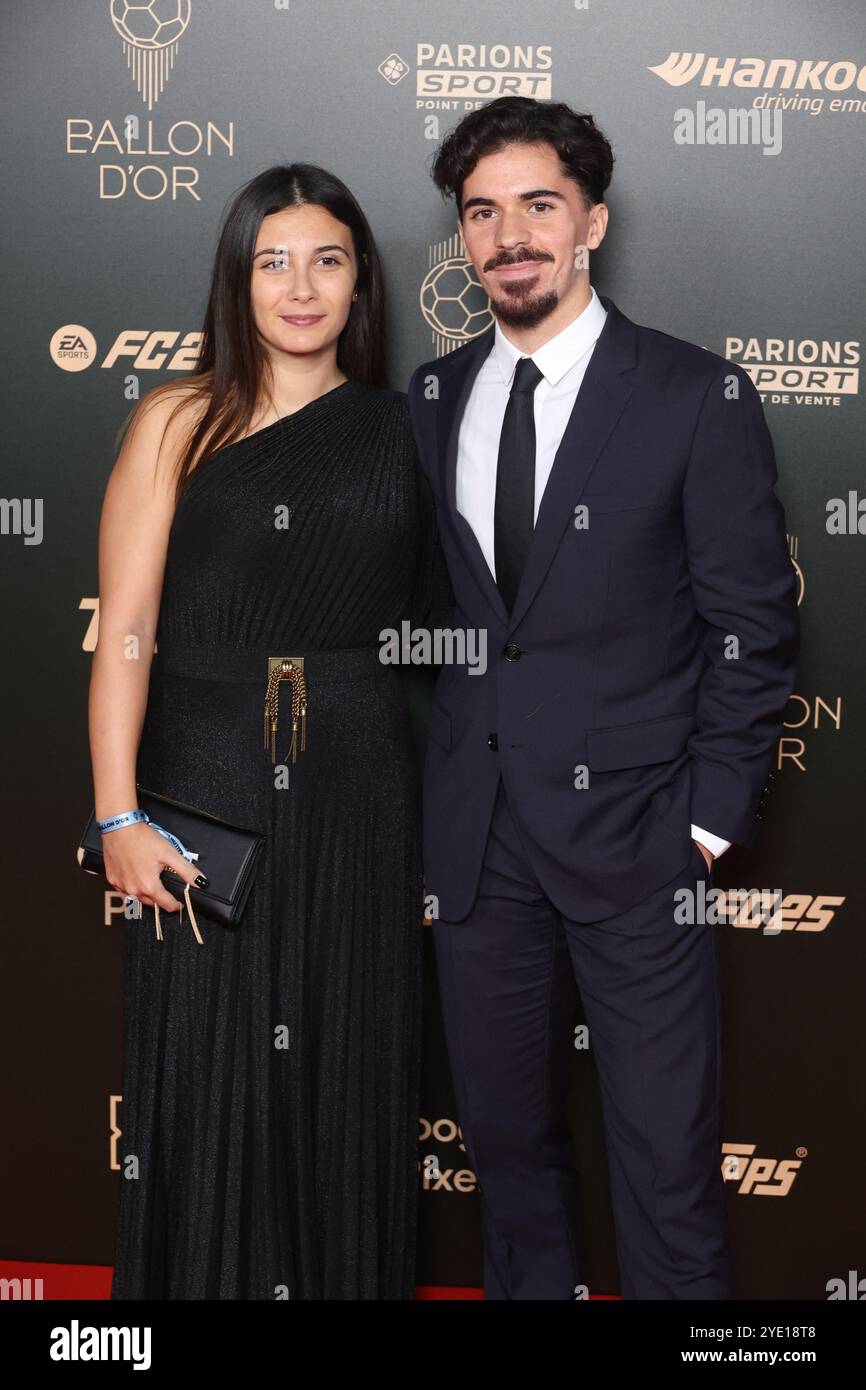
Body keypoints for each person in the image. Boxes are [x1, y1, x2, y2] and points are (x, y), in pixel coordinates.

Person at [407, 97, 800, 1299]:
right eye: (481, 212)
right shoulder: (431, 399)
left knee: (665, 1163)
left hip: (640, 840)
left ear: (591, 222)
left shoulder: (692, 395)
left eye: (537, 204)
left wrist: (703, 821)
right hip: (477, 846)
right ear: (462, 239)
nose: (508, 234)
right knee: (508, 1155)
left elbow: (751, 622)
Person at [90, 163, 441, 1299]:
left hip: (360, 793)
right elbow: (127, 632)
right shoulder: (177, 419)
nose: (300, 287)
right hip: (205, 792)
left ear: (359, 281)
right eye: (271, 261)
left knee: (346, 1071)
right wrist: (115, 814)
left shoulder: (408, 429)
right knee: (210, 1078)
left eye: (326, 260)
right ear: (237, 282)